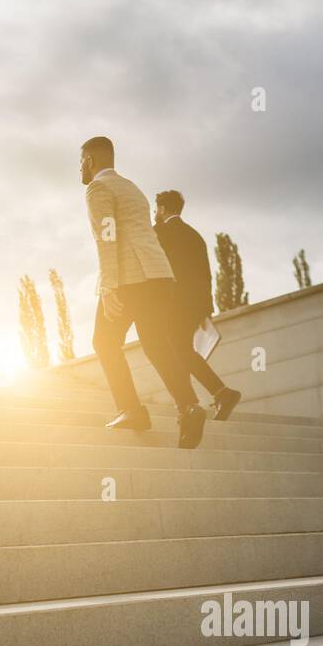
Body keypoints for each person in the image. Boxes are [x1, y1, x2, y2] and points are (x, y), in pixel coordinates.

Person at [80, 136, 206, 448]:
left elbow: (106, 237)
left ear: (89, 161)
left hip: (129, 278)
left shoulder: (97, 188)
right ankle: (188, 407)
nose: (80, 168)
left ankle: (131, 409)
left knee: (104, 341)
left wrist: (108, 287)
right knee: (155, 343)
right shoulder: (131, 187)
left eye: (81, 160)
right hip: (160, 275)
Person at [154, 189, 241, 420]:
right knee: (181, 351)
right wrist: (206, 309)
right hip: (195, 306)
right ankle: (197, 401)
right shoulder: (194, 235)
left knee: (177, 351)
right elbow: (205, 275)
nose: (155, 213)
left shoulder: (160, 232)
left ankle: (213, 395)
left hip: (174, 304)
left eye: (156, 209)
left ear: (162, 209)